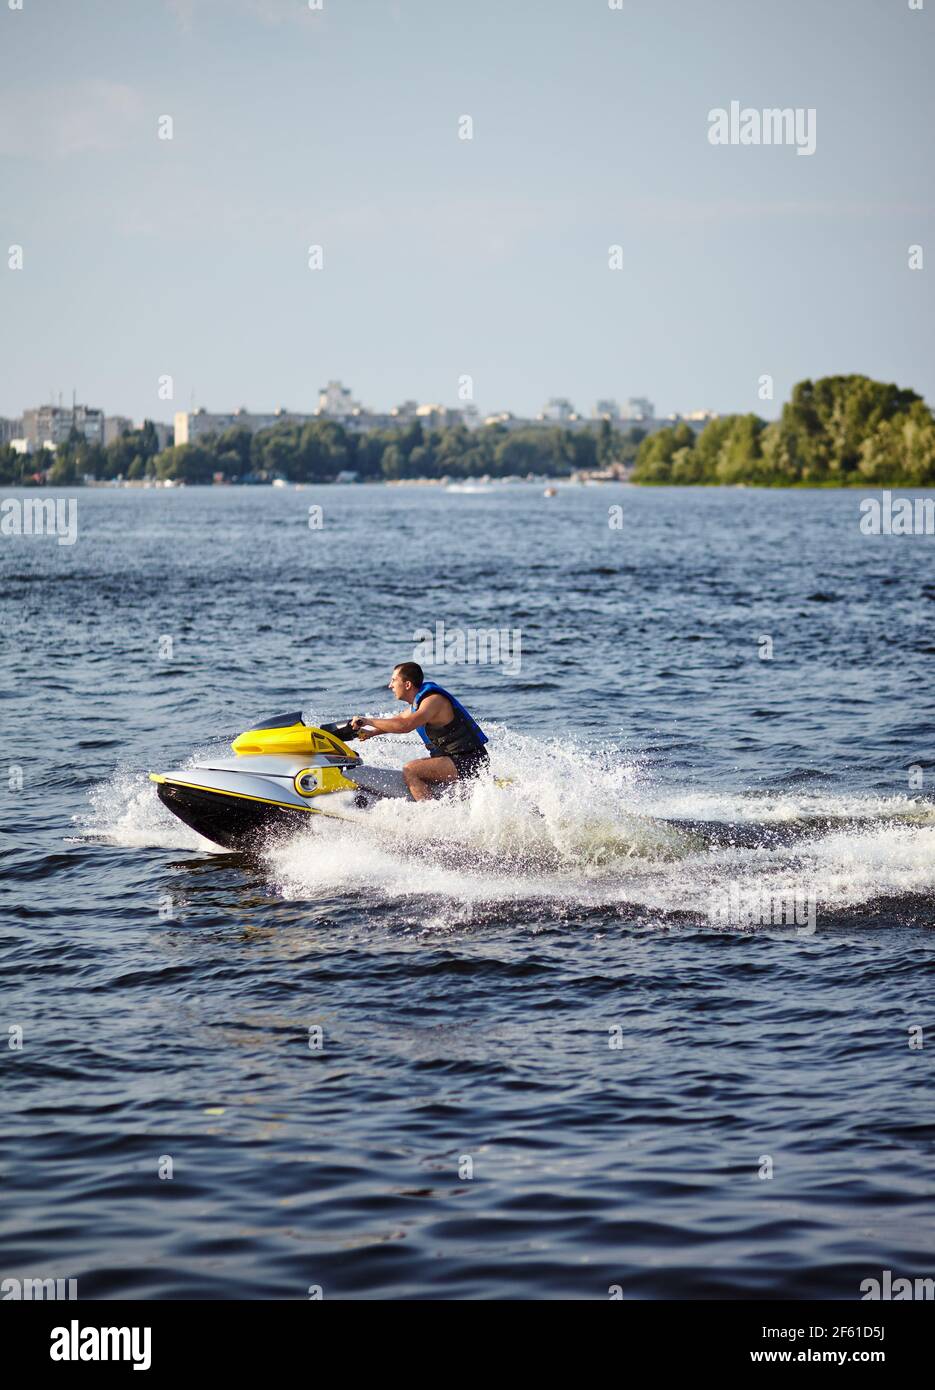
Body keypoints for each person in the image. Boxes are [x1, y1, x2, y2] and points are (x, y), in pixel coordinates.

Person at [351, 662, 489, 801]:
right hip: (456, 760)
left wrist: (368, 721)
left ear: (407, 685)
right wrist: (371, 732)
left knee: (411, 770)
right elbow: (398, 720)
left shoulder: (433, 701)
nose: (390, 685)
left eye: (394, 680)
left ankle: (431, 812)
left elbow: (405, 725)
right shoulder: (417, 705)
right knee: (418, 770)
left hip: (470, 761)